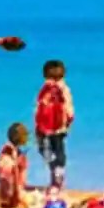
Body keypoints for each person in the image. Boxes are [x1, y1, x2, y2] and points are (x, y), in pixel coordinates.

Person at [34, 60, 75, 189]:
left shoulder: (45, 89)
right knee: (59, 149)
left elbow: (39, 105)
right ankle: (58, 173)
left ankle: (54, 171)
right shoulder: (64, 89)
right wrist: (68, 122)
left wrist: (37, 123)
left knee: (44, 149)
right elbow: (69, 109)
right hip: (59, 127)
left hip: (44, 127)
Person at [0, 122, 30, 208]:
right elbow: (7, 178)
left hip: (13, 192)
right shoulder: (8, 154)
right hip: (10, 195)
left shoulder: (16, 152)